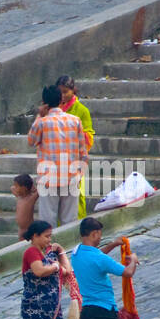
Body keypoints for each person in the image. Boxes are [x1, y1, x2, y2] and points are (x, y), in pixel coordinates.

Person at [28, 84, 88, 227]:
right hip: (71, 177)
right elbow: (83, 153)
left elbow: (31, 141)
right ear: (61, 99)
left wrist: (38, 116)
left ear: (44, 102)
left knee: (47, 224)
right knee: (70, 222)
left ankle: (49, 250)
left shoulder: (42, 122)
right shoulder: (75, 121)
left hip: (49, 179)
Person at [57, 75, 95, 218]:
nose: (63, 96)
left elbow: (89, 137)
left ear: (73, 91)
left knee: (77, 197)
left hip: (75, 160)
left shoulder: (82, 110)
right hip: (57, 161)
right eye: (60, 92)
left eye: (66, 92)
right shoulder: (53, 108)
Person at [13, 173, 39, 241]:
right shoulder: (19, 196)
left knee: (29, 245)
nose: (14, 188)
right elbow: (11, 188)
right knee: (21, 245)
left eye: (16, 186)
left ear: (24, 188)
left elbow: (39, 191)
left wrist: (33, 188)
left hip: (29, 228)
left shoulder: (30, 199)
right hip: (21, 229)